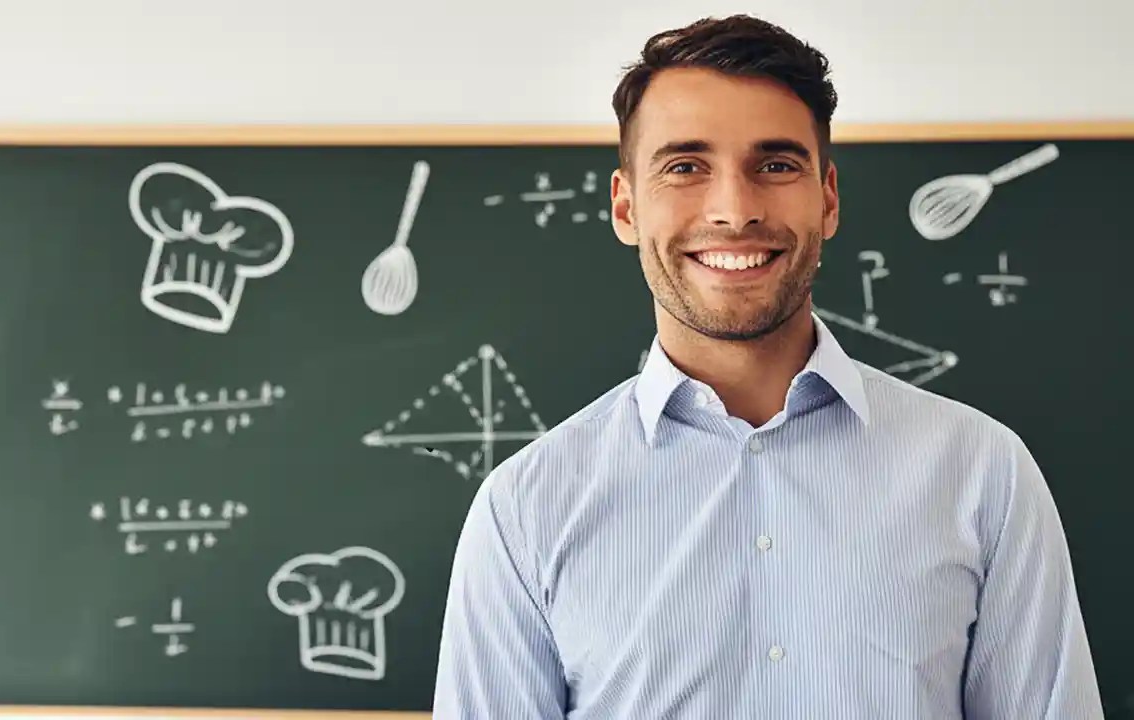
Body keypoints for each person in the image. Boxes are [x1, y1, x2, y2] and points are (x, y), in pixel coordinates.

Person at [431, 13, 1104, 719]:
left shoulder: (982, 474)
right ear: (625, 207)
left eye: (776, 165)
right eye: (685, 167)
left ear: (829, 198)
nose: (734, 209)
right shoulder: (526, 511)